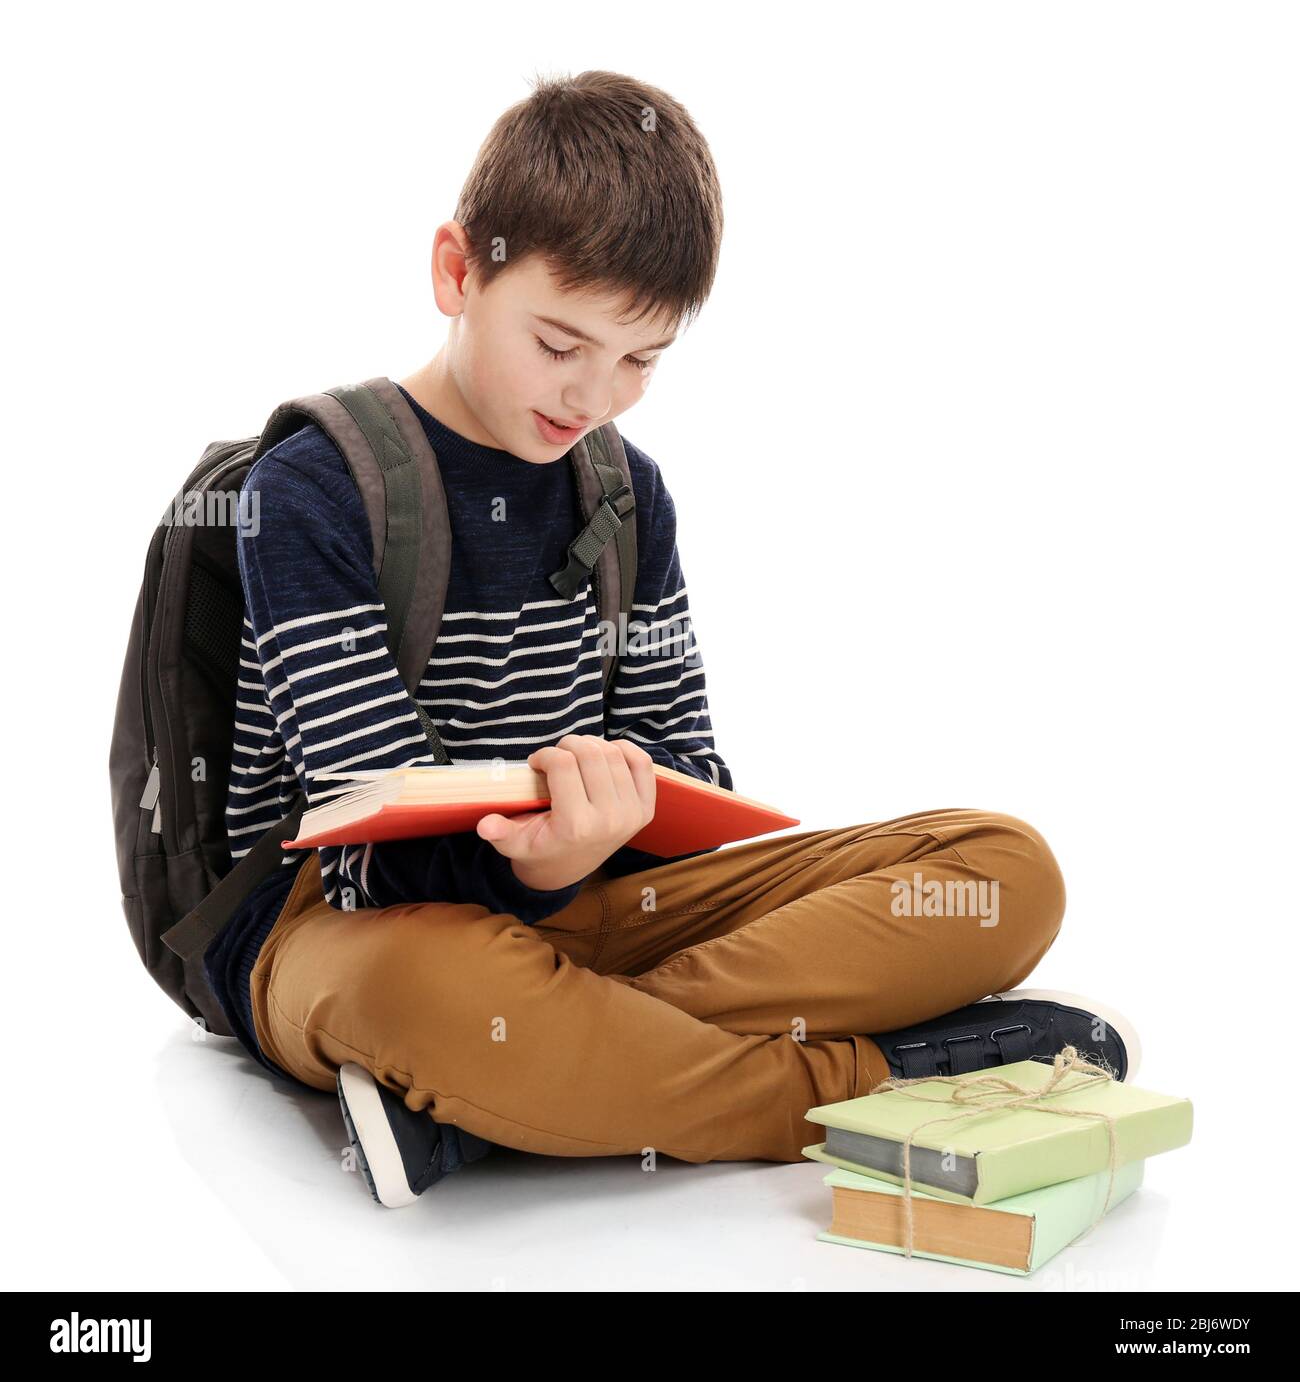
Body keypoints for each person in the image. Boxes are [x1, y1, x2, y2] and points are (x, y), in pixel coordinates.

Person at [203, 69, 1139, 1208]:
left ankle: (517, 1087)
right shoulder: (313, 487)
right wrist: (536, 869)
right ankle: (876, 1075)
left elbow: (688, 775)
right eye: (559, 343)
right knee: (426, 990)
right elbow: (363, 839)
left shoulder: (627, 493)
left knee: (1002, 874)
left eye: (641, 360)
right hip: (348, 930)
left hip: (593, 915)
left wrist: (604, 843)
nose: (594, 393)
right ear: (459, 272)